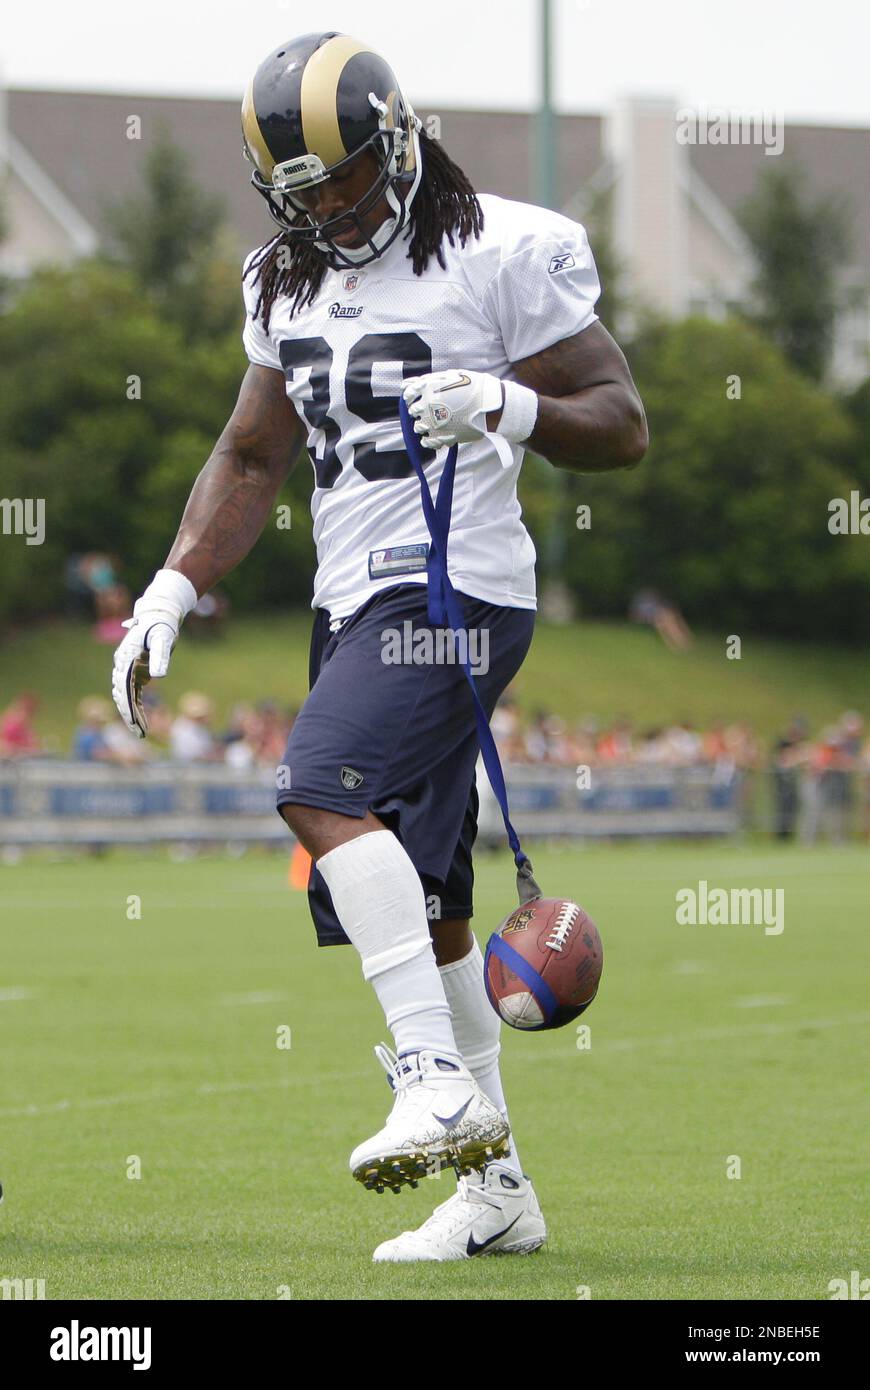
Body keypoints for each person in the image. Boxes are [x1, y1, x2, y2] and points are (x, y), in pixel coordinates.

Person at [111, 30, 647, 1262]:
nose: (330, 209)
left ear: (399, 139)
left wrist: (508, 402)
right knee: (441, 903)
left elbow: (621, 425)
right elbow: (252, 453)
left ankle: (430, 1081)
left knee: (317, 786)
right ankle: (499, 1191)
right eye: (299, 194)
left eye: (344, 179)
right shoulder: (283, 278)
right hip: (355, 595)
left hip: (459, 586)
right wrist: (171, 589)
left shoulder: (504, 246)